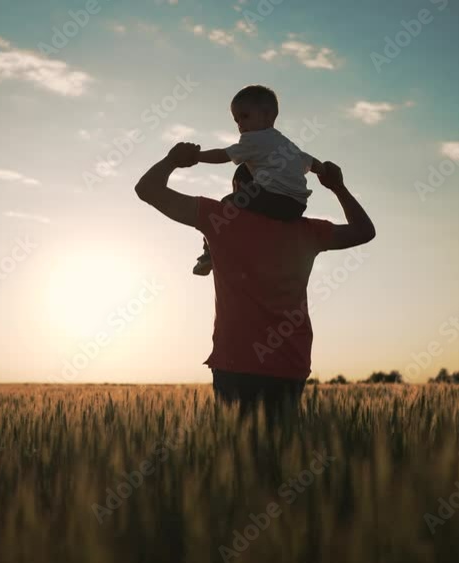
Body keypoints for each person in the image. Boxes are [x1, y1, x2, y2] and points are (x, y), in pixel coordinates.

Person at [134, 142, 376, 418]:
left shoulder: (221, 219)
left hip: (236, 360)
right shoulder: (308, 232)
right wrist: (337, 187)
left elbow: (147, 189)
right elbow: (364, 230)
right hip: (290, 360)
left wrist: (172, 161)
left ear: (239, 187)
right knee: (280, 454)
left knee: (237, 456)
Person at [189, 84, 325, 276]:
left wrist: (197, 156)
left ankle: (208, 253)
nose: (240, 125)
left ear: (268, 116)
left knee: (224, 207)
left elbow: (223, 155)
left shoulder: (253, 140)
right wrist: (325, 171)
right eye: (236, 120)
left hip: (273, 199)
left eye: (245, 117)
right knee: (244, 170)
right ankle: (247, 220)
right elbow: (311, 161)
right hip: (297, 206)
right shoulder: (287, 144)